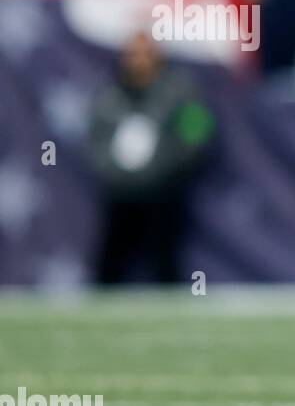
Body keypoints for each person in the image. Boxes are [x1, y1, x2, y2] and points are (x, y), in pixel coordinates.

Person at [88, 31, 215, 284]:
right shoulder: (109, 94)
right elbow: (94, 141)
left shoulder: (180, 91)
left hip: (163, 193)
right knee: (109, 265)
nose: (140, 61)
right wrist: (118, 174)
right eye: (134, 54)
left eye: (146, 53)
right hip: (121, 195)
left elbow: (198, 131)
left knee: (166, 262)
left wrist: (165, 168)